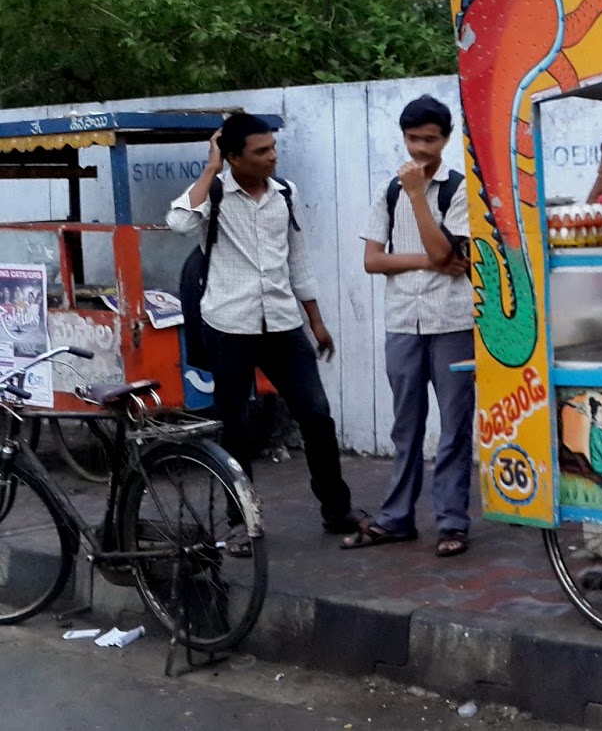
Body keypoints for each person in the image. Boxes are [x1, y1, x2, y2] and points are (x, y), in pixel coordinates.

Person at [166, 112, 360, 553]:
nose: (272, 157)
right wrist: (210, 167)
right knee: (237, 427)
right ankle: (240, 523)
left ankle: (337, 509)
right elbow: (178, 222)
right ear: (234, 157)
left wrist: (316, 321)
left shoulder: (284, 196)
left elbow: (298, 263)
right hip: (228, 326)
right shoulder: (213, 195)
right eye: (261, 151)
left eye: (273, 148)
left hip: (283, 324)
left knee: (316, 414)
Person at [342, 96, 476, 558]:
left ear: (446, 139)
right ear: (403, 137)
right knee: (406, 425)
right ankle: (397, 517)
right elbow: (372, 260)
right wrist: (426, 260)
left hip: (454, 320)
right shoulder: (389, 191)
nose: (421, 148)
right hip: (403, 320)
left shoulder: (458, 189)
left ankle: (452, 521)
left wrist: (420, 196)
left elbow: (449, 255)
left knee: (456, 427)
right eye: (414, 138)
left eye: (430, 139)